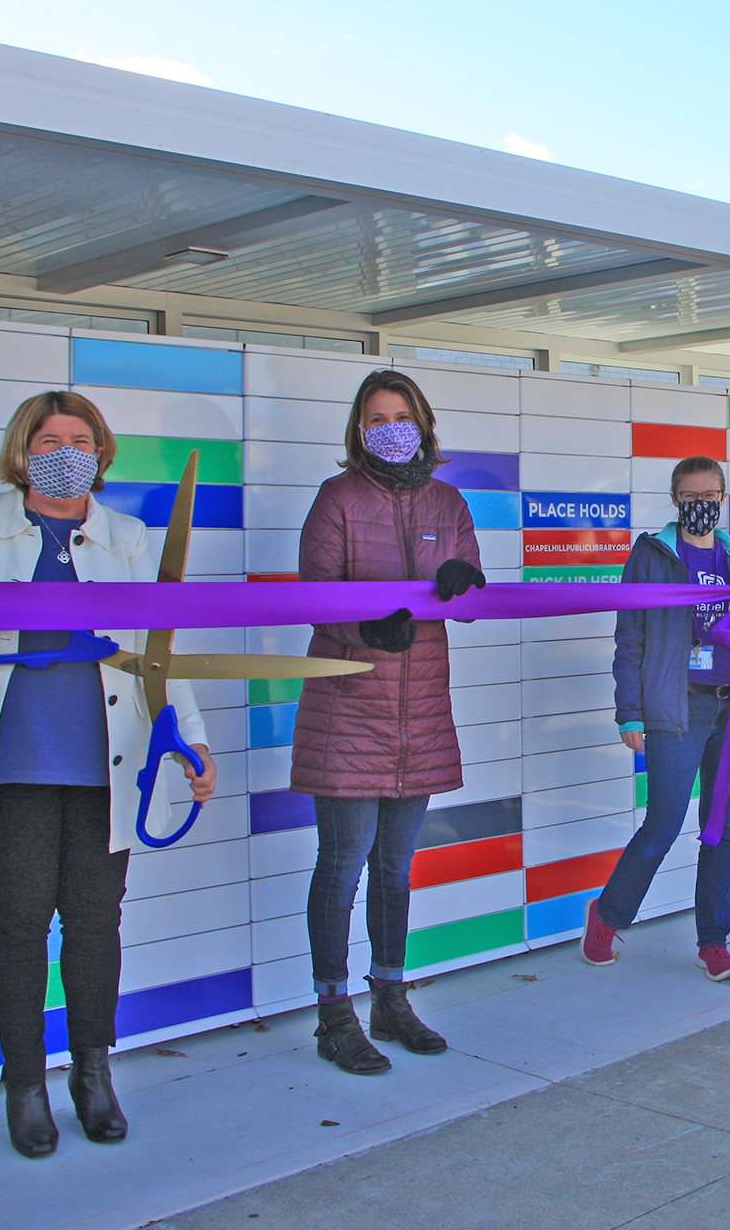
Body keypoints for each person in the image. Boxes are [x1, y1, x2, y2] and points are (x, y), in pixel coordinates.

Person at [0, 391, 218, 1158]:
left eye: (80, 439)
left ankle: (92, 1073)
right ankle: (24, 1085)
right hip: (9, 757)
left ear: (100, 451)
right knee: (17, 923)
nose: (66, 452)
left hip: (103, 759)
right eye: (49, 440)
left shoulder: (127, 535)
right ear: (23, 450)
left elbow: (160, 647)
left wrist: (191, 740)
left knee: (94, 922)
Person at [291, 368, 485, 1074]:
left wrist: (464, 583)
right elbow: (314, 596)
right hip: (348, 710)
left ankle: (390, 998)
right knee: (342, 866)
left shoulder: (448, 501)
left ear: (423, 423)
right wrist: (366, 631)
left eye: (402, 416)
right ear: (359, 430)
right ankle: (333, 1015)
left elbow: (471, 594)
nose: (391, 429)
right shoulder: (337, 497)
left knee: (395, 870)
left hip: (420, 713)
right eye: (377, 419)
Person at [582, 455, 730, 982]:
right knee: (664, 823)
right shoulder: (651, 554)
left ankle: (714, 941)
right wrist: (629, 713)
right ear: (674, 501)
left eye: (710, 496)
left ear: (723, 498)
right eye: (691, 496)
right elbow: (630, 636)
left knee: (720, 830)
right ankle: (608, 917)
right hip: (676, 705)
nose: (701, 505)